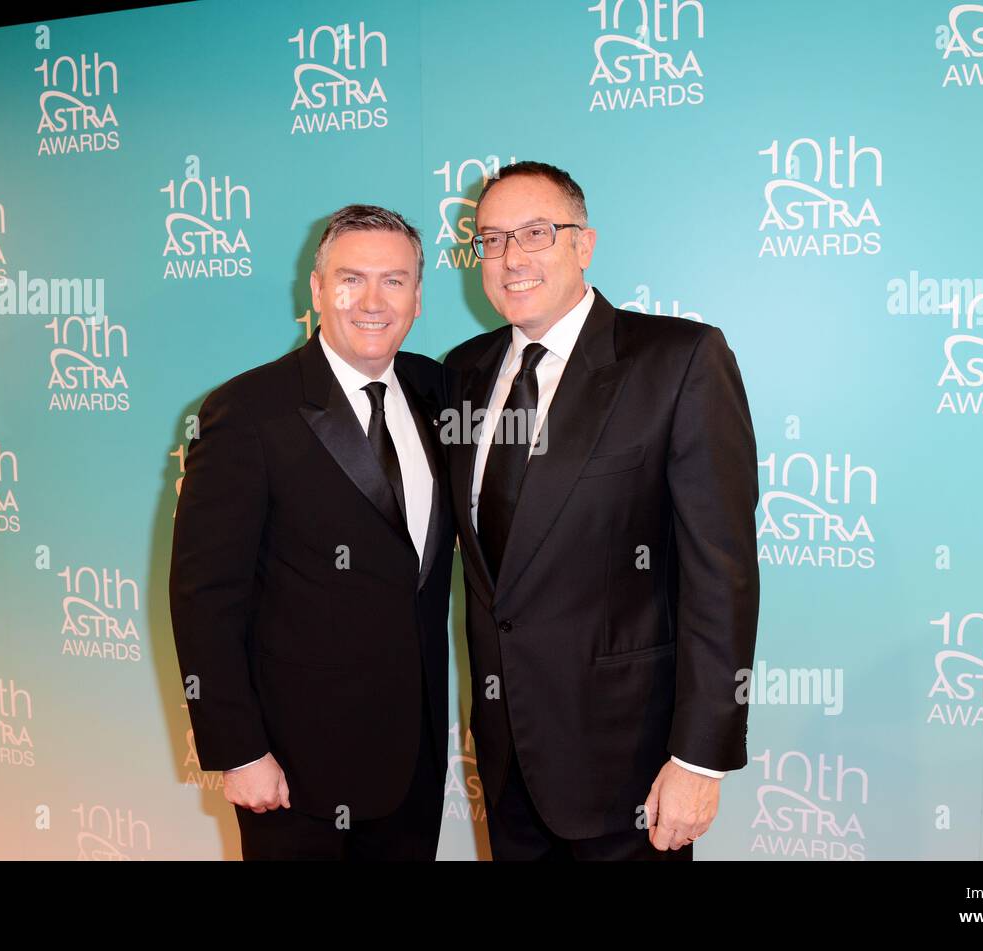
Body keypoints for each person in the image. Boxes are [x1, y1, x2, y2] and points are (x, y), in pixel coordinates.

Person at [443, 162, 760, 860]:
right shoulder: (463, 371)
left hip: (631, 770)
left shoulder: (677, 361)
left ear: (583, 244)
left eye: (535, 232)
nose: (511, 257)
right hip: (505, 764)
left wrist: (699, 759)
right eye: (491, 240)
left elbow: (721, 574)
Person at [169, 205, 454, 860]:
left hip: (413, 764)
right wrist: (239, 750)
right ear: (319, 289)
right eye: (352, 279)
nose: (373, 301)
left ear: (418, 296)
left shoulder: (438, 392)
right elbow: (204, 596)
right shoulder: (248, 411)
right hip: (296, 776)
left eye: (395, 280)